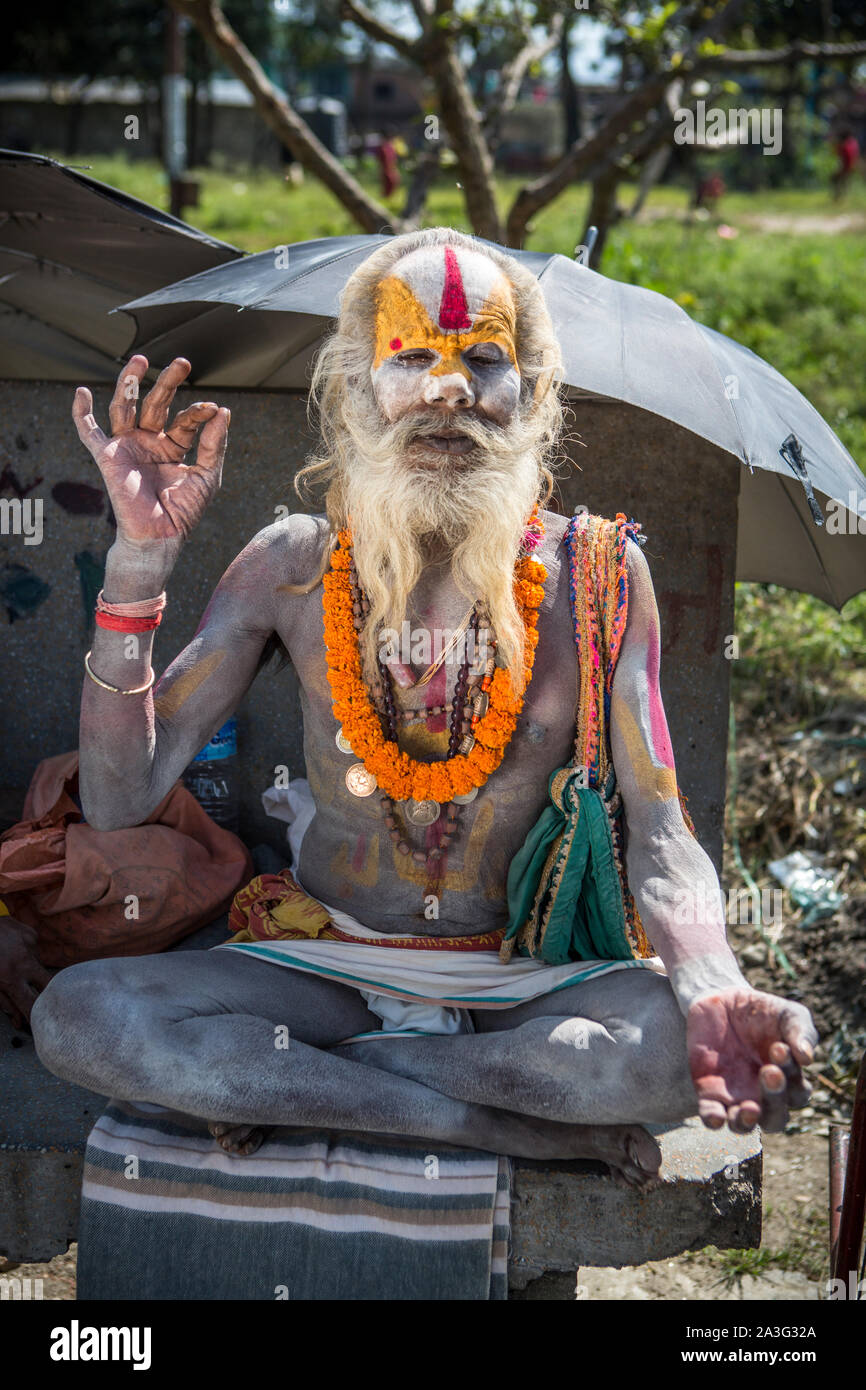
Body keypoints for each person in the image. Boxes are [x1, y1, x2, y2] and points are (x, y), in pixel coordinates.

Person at [31, 228, 817, 1184]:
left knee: (664, 1061)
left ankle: (348, 1089)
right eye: (413, 357)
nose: (449, 390)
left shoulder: (601, 576)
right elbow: (118, 804)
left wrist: (714, 985)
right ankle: (480, 1123)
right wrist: (138, 561)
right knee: (79, 1018)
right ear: (360, 393)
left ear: (533, 396)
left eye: (484, 359)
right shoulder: (292, 563)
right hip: (327, 959)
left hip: (526, 977)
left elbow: (660, 829)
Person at [832, 126, 860, 200]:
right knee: (841, 180)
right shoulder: (853, 142)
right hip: (851, 166)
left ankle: (839, 196)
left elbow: (840, 155)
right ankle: (842, 196)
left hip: (847, 166)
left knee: (836, 179)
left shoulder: (845, 145)